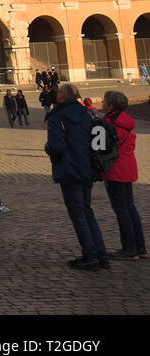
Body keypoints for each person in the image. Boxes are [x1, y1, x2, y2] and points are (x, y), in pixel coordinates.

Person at [45, 84, 110, 270]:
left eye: (58, 92)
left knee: (78, 214)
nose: (56, 95)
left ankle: (90, 255)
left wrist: (47, 148)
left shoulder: (57, 116)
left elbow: (56, 146)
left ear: (63, 95)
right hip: (87, 167)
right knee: (87, 211)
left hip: (69, 169)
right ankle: (101, 254)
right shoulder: (87, 114)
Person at [100, 91, 145, 260]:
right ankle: (139, 246)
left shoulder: (109, 123)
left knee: (122, 210)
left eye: (104, 101)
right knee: (130, 207)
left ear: (111, 106)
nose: (102, 103)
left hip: (115, 169)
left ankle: (129, 247)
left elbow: (104, 147)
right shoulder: (125, 121)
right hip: (127, 166)